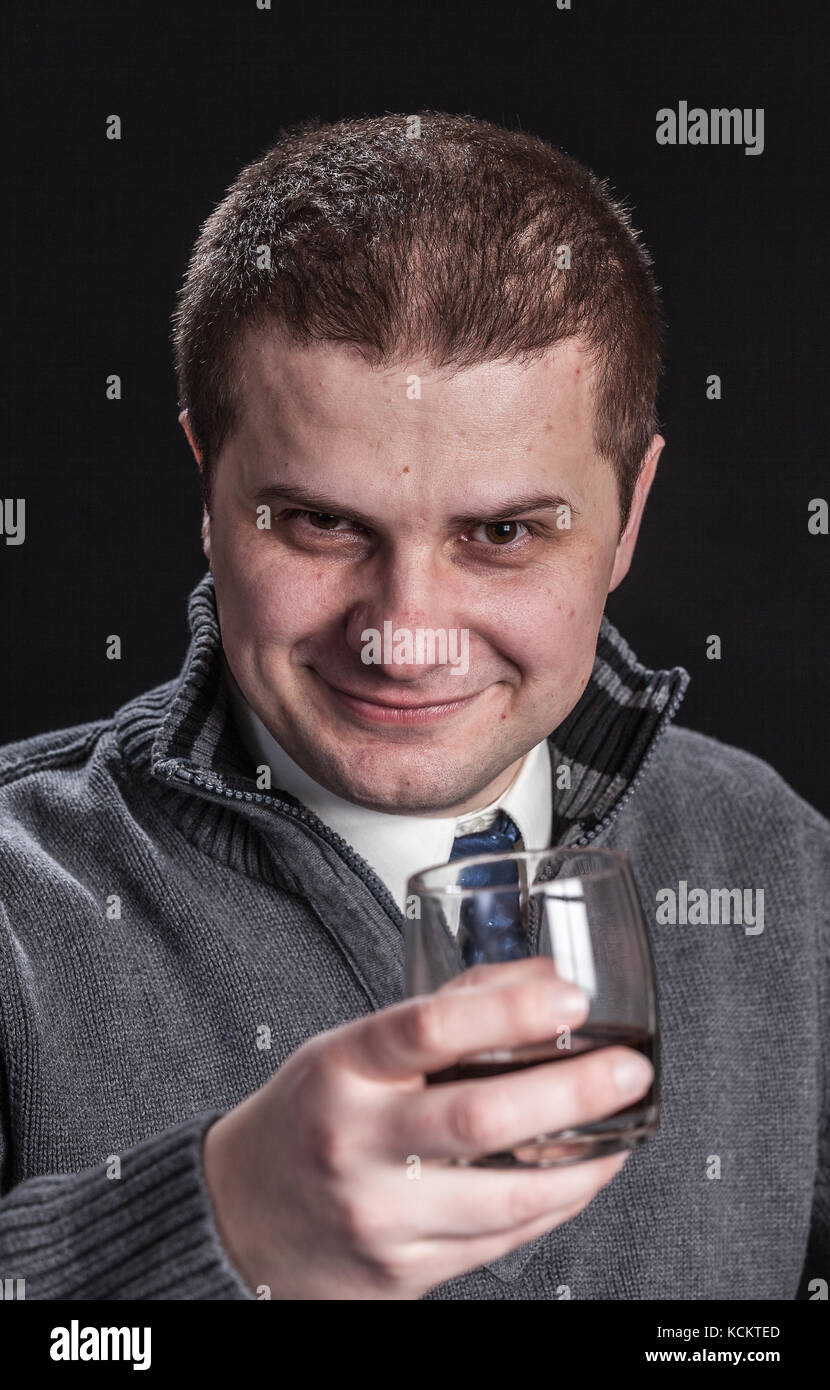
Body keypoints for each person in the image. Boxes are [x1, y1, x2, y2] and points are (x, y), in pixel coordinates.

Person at [0, 112, 826, 1302]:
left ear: (629, 513)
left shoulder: (777, 859)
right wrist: (218, 1227)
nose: (403, 632)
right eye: (323, 522)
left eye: (500, 533)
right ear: (207, 488)